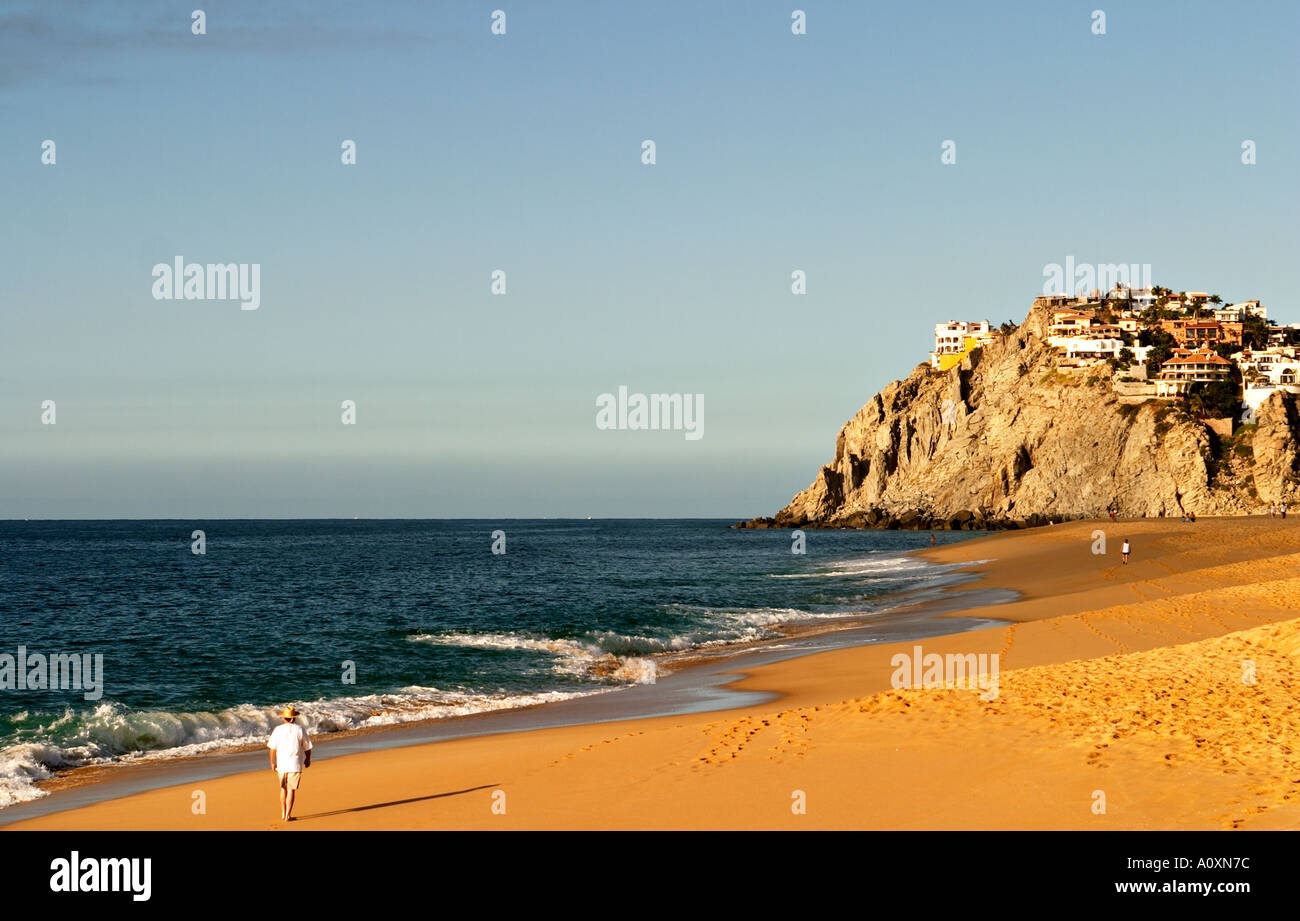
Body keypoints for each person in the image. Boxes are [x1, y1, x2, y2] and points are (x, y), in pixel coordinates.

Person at [268, 706, 312, 822]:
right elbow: (307, 747)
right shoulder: (300, 729)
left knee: (283, 789)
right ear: (293, 718)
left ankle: (283, 813)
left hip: (281, 764)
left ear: (284, 718)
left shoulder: (278, 729)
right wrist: (308, 759)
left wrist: (272, 762)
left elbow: (272, 748)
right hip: (295, 764)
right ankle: (288, 815)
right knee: (291, 790)